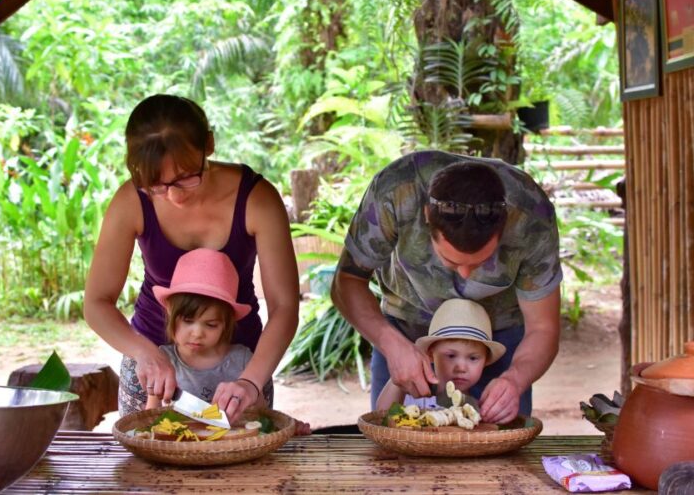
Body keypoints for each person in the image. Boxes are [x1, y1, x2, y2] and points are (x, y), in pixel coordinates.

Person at [84, 94, 299, 422]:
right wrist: (145, 353)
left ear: (208, 144)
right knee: (148, 463)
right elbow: (96, 303)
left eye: (186, 177)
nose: (173, 195)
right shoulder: (132, 200)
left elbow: (285, 307)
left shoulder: (257, 199)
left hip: (239, 369)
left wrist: (250, 381)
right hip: (154, 367)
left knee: (244, 462)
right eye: (156, 184)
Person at [331, 151, 562, 424]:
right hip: (407, 325)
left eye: (482, 262)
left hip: (496, 335)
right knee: (394, 435)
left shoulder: (531, 215)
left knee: (501, 446)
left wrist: (514, 379)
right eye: (451, 261)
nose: (465, 275)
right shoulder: (395, 192)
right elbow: (347, 281)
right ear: (427, 216)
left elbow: (543, 328)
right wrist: (391, 343)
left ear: (506, 223)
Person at [145, 248, 311, 435]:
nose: (197, 333)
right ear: (170, 313)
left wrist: (286, 427)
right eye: (188, 321)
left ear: (226, 324)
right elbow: (150, 421)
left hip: (235, 452)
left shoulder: (242, 360)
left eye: (211, 324)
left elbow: (263, 417)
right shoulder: (163, 363)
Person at [376, 298, 505, 412]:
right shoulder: (413, 396)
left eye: (473, 358)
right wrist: (400, 379)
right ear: (430, 354)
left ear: (485, 360)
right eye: (451, 356)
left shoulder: (480, 408)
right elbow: (381, 413)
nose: (461, 368)